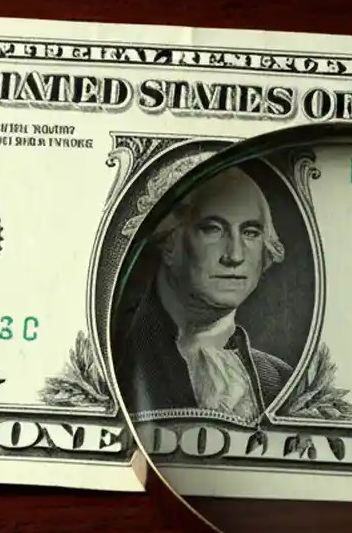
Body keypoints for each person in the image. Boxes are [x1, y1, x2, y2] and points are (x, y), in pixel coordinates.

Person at [115, 165, 294, 426]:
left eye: (250, 233)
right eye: (213, 229)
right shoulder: (121, 358)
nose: (234, 255)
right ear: (170, 243)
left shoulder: (281, 380)